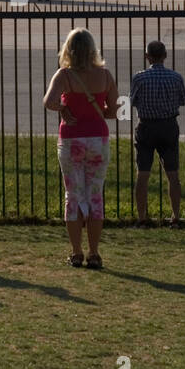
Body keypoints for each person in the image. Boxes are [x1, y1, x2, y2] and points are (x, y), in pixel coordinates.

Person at [43, 28, 119, 268]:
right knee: (95, 195)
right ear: (93, 50)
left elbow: (48, 102)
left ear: (69, 50)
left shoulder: (64, 75)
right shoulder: (104, 75)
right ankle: (94, 253)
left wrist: (64, 108)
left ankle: (76, 252)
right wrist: (98, 113)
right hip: (98, 138)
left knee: (73, 195)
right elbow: (113, 111)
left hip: (71, 139)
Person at [129, 40, 185, 227]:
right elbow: (182, 100)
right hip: (168, 125)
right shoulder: (176, 77)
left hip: (146, 126)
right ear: (165, 55)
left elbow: (132, 101)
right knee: (172, 174)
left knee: (143, 173)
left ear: (147, 56)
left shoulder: (139, 78)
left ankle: (142, 218)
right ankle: (176, 217)